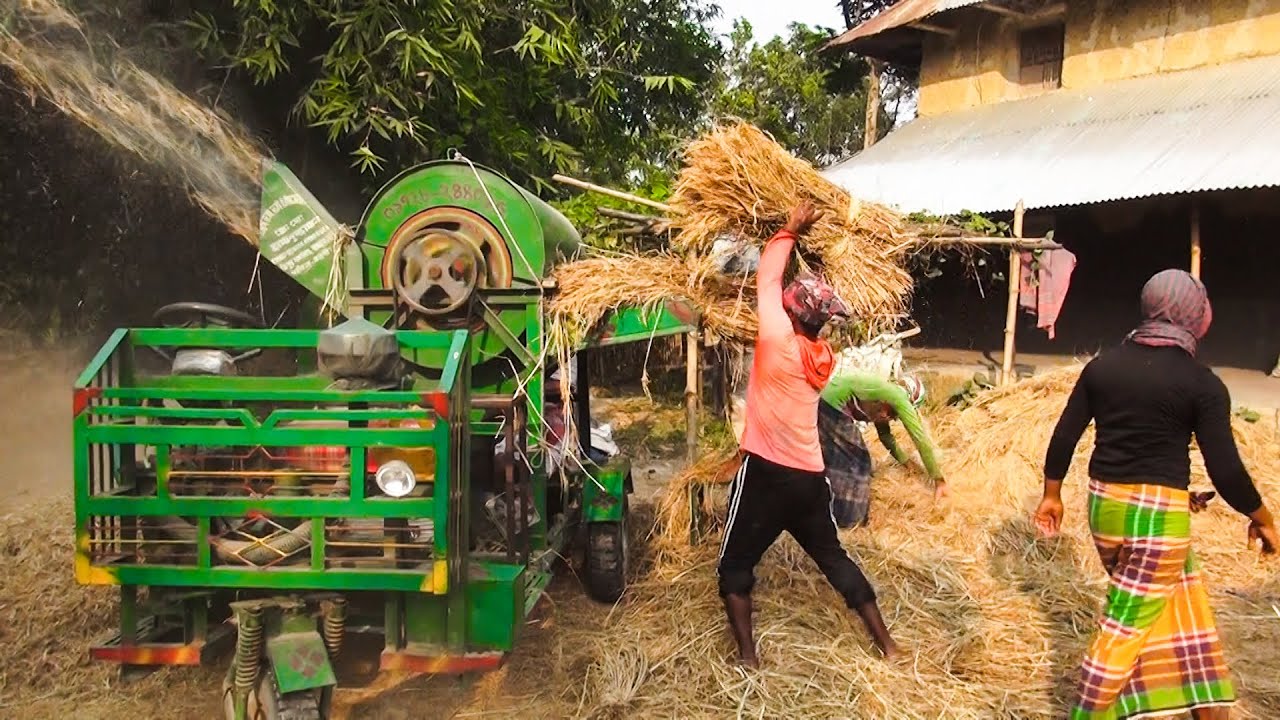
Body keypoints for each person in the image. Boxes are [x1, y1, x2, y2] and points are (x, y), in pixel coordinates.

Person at [1033, 269, 1279, 720]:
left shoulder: (1101, 367)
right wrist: (1262, 516)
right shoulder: (1202, 384)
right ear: (1195, 315)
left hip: (1105, 509)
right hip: (1158, 524)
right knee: (1123, 631)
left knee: (1185, 614)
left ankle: (1209, 709)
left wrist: (1052, 494)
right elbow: (1225, 469)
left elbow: (1065, 434)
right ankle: (1088, 712)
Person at [718, 201, 901, 668]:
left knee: (734, 567)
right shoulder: (822, 355)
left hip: (765, 476)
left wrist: (789, 230)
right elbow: (785, 296)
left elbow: (766, 280)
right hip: (809, 478)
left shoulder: (778, 341)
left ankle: (748, 657)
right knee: (834, 558)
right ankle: (888, 644)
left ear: (792, 313)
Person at [818, 370, 945, 528]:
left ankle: (825, 510)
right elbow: (920, 440)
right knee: (858, 461)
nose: (892, 416)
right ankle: (850, 523)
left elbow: (885, 436)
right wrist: (939, 480)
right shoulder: (898, 397)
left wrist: (905, 462)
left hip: (825, 401)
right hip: (832, 404)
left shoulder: (881, 399)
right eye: (895, 413)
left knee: (834, 460)